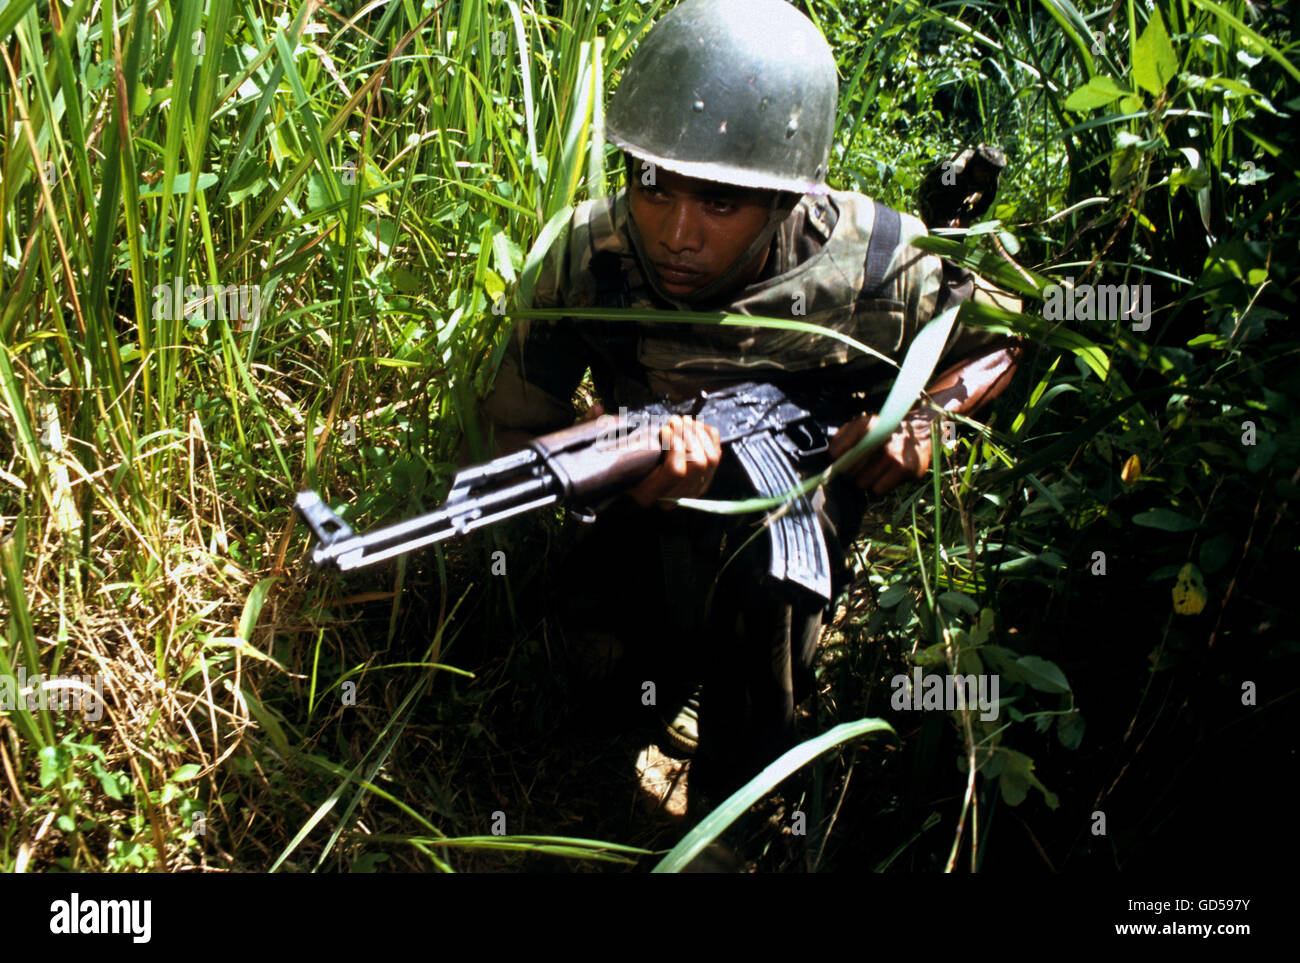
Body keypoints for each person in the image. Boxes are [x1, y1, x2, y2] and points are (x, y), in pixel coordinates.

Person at [475, 0, 1023, 806]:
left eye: (721, 203)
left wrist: (921, 421)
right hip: (642, 512)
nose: (676, 233)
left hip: (788, 534)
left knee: (767, 578)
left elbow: (1007, 338)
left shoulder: (880, 263)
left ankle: (735, 814)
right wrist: (607, 460)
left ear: (787, 197)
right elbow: (502, 434)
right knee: (585, 683)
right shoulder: (590, 258)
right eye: (653, 186)